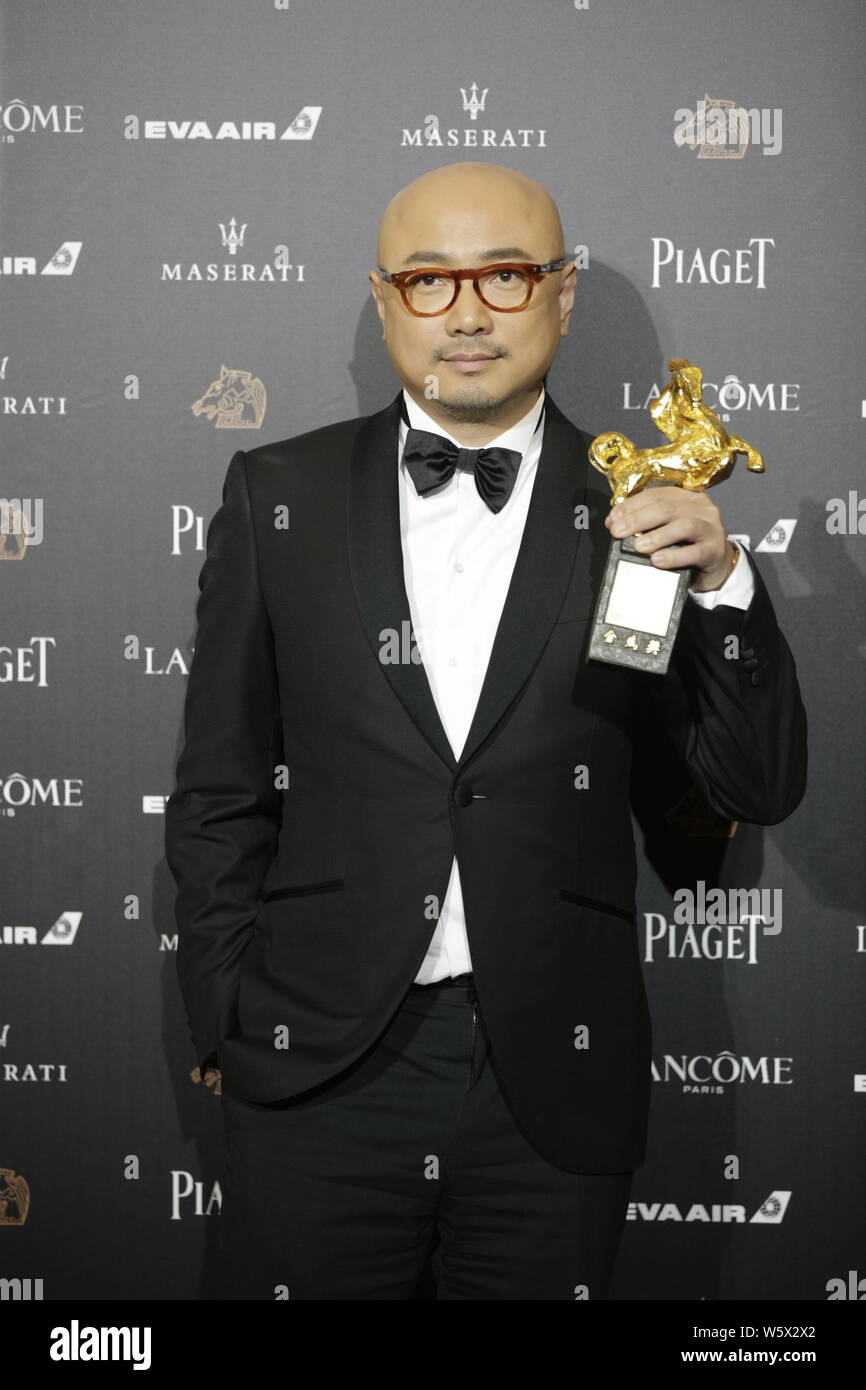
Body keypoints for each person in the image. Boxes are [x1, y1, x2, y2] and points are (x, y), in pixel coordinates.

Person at [164, 161, 807, 1300]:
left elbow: (751, 785)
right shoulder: (278, 494)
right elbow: (218, 791)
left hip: (550, 1079)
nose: (464, 313)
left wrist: (717, 584)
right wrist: (232, 1012)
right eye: (427, 281)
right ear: (382, 301)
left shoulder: (634, 515)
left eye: (504, 276)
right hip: (321, 1065)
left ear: (561, 295)